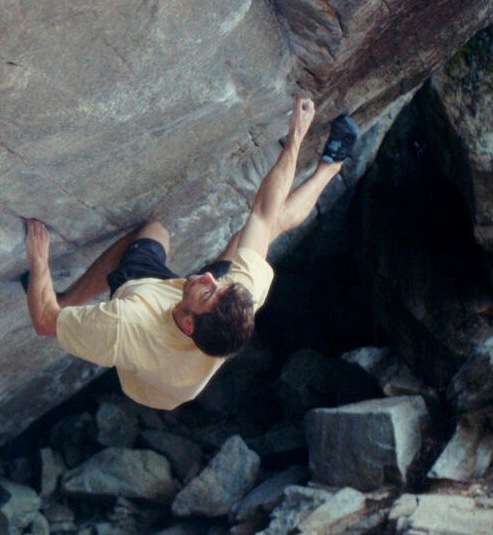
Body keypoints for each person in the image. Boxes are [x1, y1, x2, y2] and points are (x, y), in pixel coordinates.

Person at [24, 96, 357, 410]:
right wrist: (296, 136)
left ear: (186, 323)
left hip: (151, 376)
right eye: (222, 284)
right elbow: (263, 215)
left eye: (210, 289)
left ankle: (68, 299)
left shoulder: (128, 324)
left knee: (152, 232)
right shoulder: (239, 297)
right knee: (260, 233)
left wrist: (39, 261)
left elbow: (43, 324)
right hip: (187, 335)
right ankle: (333, 165)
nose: (212, 276)